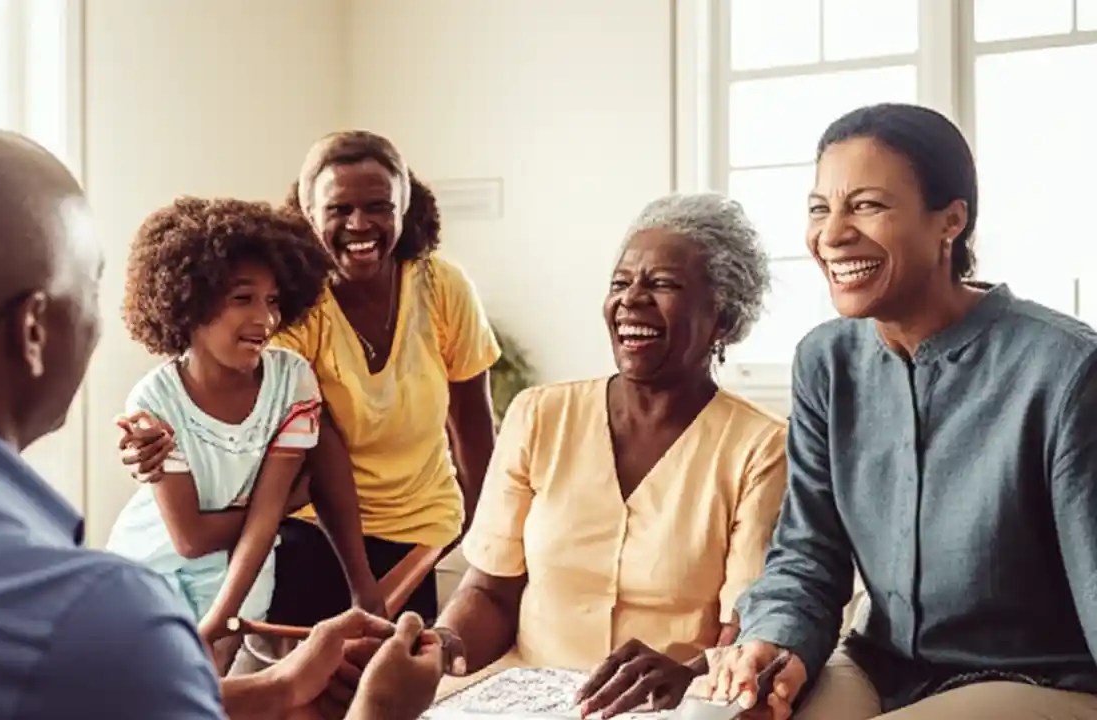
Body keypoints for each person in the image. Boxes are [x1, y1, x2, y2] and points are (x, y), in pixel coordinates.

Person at [0, 124, 442, 720]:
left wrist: (277, 689)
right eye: (89, 288)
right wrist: (380, 709)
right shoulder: (92, 618)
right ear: (33, 330)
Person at [693, 103, 1097, 719]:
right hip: (881, 663)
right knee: (729, 716)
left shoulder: (1065, 369)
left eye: (867, 205)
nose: (832, 234)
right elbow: (807, 554)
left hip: (1040, 678)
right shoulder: (825, 362)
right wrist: (774, 644)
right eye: (820, 208)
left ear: (950, 222)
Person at [429, 193, 789, 718]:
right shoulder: (539, 415)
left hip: (669, 705)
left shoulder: (761, 447)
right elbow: (490, 592)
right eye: (621, 282)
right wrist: (441, 647)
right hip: (520, 699)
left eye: (662, 284)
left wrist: (689, 674)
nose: (632, 300)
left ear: (723, 319)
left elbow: (745, 627)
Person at [270, 130, 501, 625]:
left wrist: (490, 534)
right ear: (309, 214)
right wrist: (363, 589)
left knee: (395, 696)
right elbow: (314, 445)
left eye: (378, 206)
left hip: (421, 530)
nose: (361, 224)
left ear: (404, 207)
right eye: (339, 209)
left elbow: (472, 416)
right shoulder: (295, 307)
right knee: (312, 697)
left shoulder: (443, 286)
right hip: (317, 534)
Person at [106, 197, 339, 673]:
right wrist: (287, 504)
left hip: (241, 575)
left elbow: (263, 520)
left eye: (273, 300)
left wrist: (223, 616)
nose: (265, 319)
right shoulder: (154, 402)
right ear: (190, 300)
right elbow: (189, 539)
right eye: (242, 298)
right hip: (149, 572)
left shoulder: (291, 383)